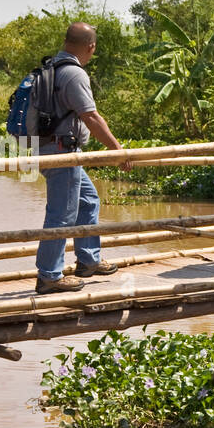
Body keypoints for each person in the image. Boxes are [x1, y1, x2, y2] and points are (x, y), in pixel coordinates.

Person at [33, 21, 131, 293]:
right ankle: (49, 276)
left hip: (47, 148)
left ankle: (88, 260)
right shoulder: (74, 74)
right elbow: (91, 116)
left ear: (66, 42)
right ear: (91, 47)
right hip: (62, 153)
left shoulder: (48, 68)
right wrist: (117, 150)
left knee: (88, 200)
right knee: (61, 214)